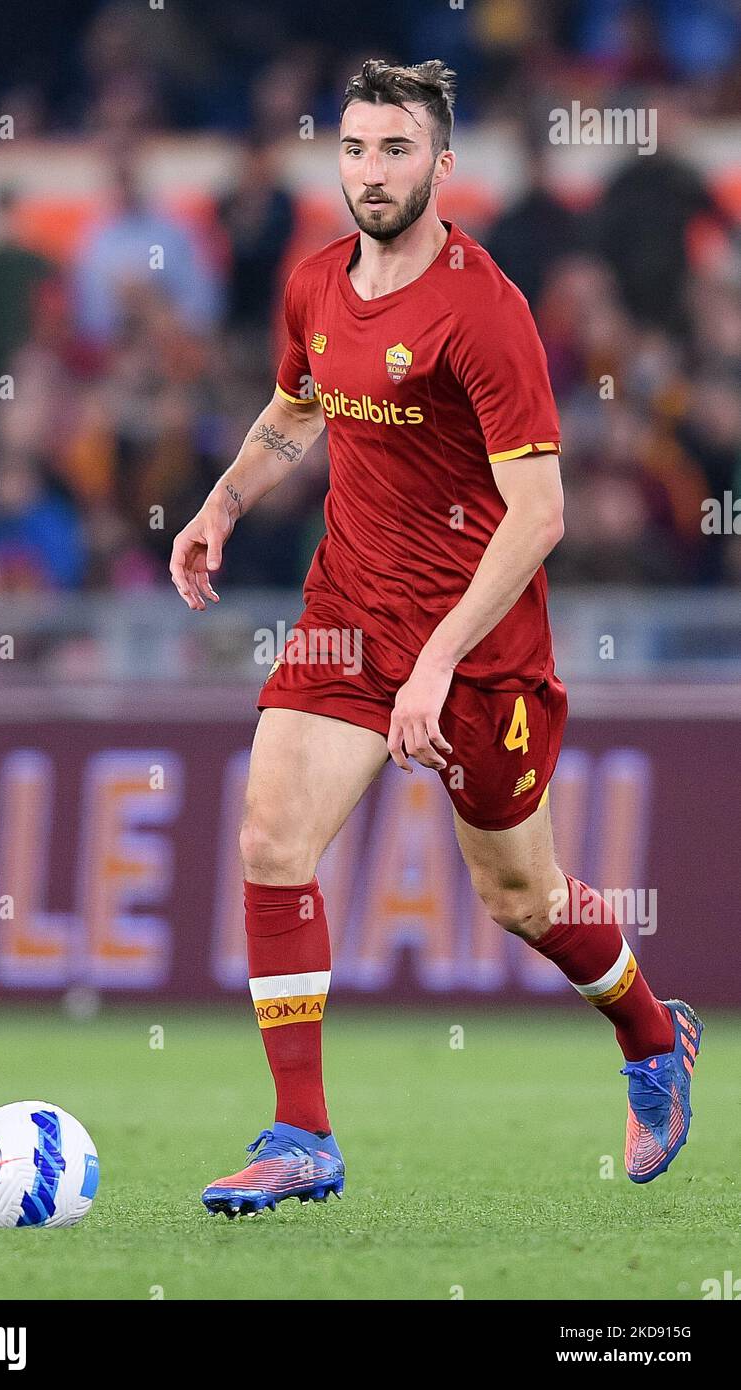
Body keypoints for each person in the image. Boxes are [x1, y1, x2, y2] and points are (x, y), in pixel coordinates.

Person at [170, 59, 703, 1217]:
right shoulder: (314, 282)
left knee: (519, 896)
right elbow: (296, 405)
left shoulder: (482, 307)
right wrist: (219, 503)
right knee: (269, 838)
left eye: (395, 151)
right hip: (345, 616)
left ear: (440, 166)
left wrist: (440, 659)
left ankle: (652, 1038)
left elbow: (542, 512)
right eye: (355, 149)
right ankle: (301, 1134)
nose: (371, 171)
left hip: (477, 643)